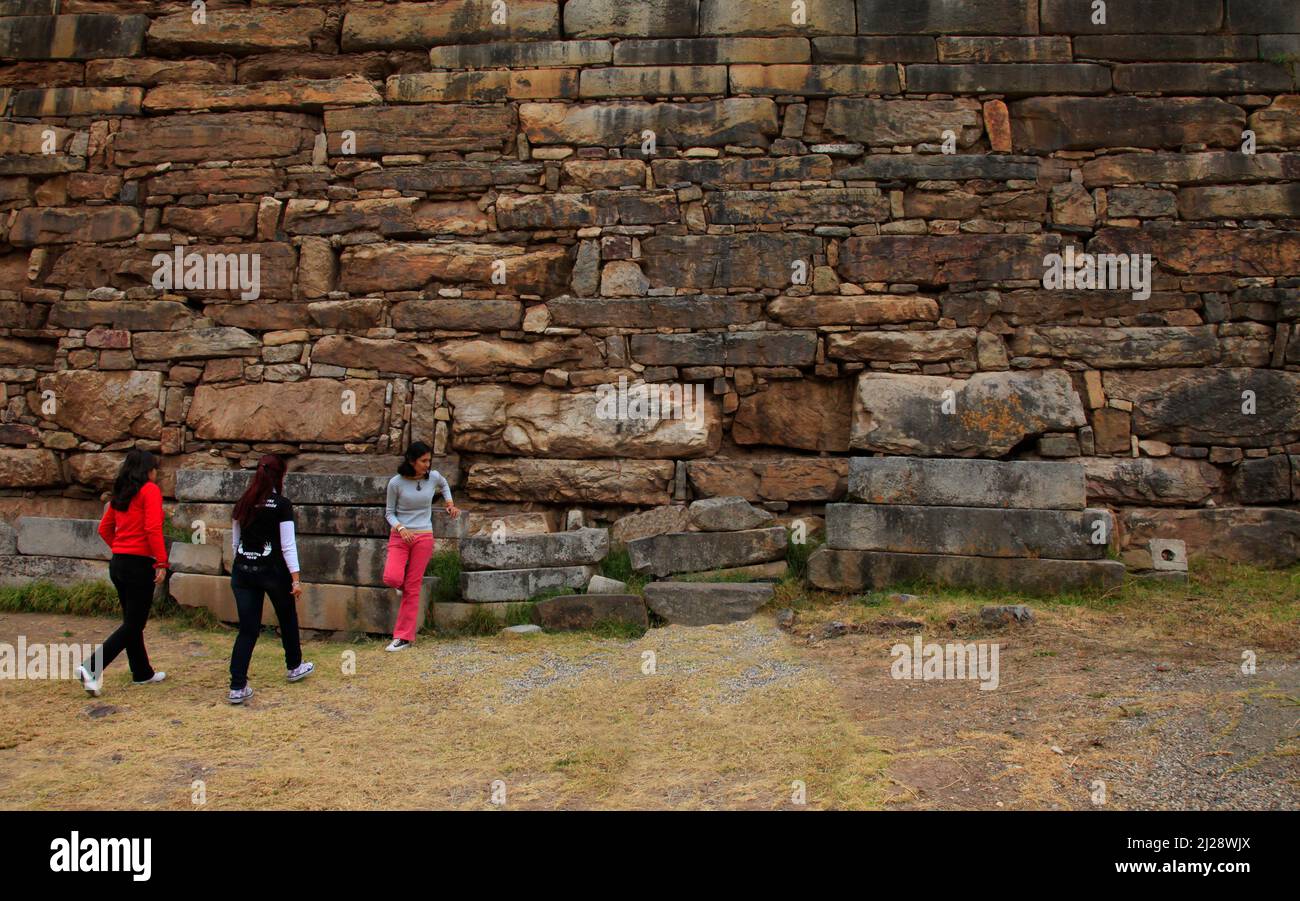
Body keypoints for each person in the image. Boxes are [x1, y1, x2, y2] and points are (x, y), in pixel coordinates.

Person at [78, 449, 168, 696]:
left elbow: (105, 529)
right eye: (154, 468)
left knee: (131, 621)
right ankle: (92, 667)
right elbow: (152, 527)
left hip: (119, 563)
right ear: (148, 470)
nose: (156, 472)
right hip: (139, 564)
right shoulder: (149, 490)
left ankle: (142, 672)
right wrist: (161, 562)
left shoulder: (122, 492)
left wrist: (121, 548)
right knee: (135, 623)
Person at [227, 455, 313, 705]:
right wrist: (295, 579)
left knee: (248, 628)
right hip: (273, 570)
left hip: (244, 570)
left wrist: (243, 565)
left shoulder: (243, 503)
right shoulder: (282, 505)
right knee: (287, 617)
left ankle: (237, 685)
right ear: (280, 476)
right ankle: (294, 665)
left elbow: (235, 542)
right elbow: (288, 545)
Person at [383, 442, 459, 651]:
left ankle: (403, 637)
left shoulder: (433, 477)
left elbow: (444, 485)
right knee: (392, 578)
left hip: (424, 536)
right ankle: (403, 588)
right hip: (400, 537)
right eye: (423, 461)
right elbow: (389, 512)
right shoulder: (395, 483)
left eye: (429, 460)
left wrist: (449, 503)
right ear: (411, 461)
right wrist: (400, 528)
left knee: (413, 587)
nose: (428, 464)